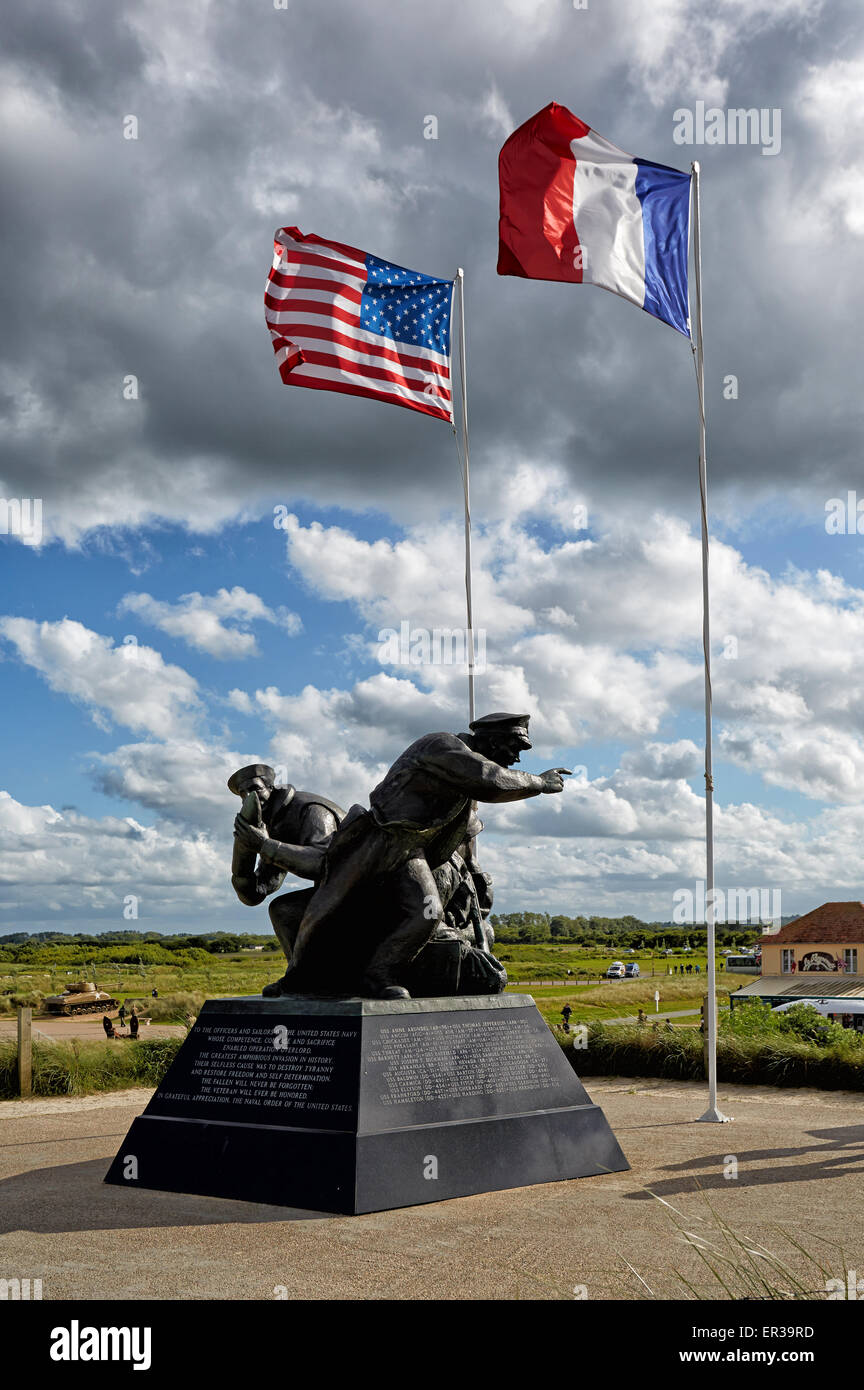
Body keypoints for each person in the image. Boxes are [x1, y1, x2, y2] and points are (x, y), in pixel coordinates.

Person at [277, 713, 570, 999]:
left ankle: (379, 974)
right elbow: (490, 779)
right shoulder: (443, 747)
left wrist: (473, 868)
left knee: (426, 912)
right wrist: (540, 784)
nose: (517, 758)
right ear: (493, 740)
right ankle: (296, 979)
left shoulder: (466, 781)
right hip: (378, 840)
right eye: (514, 748)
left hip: (409, 849)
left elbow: (467, 828)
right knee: (327, 909)